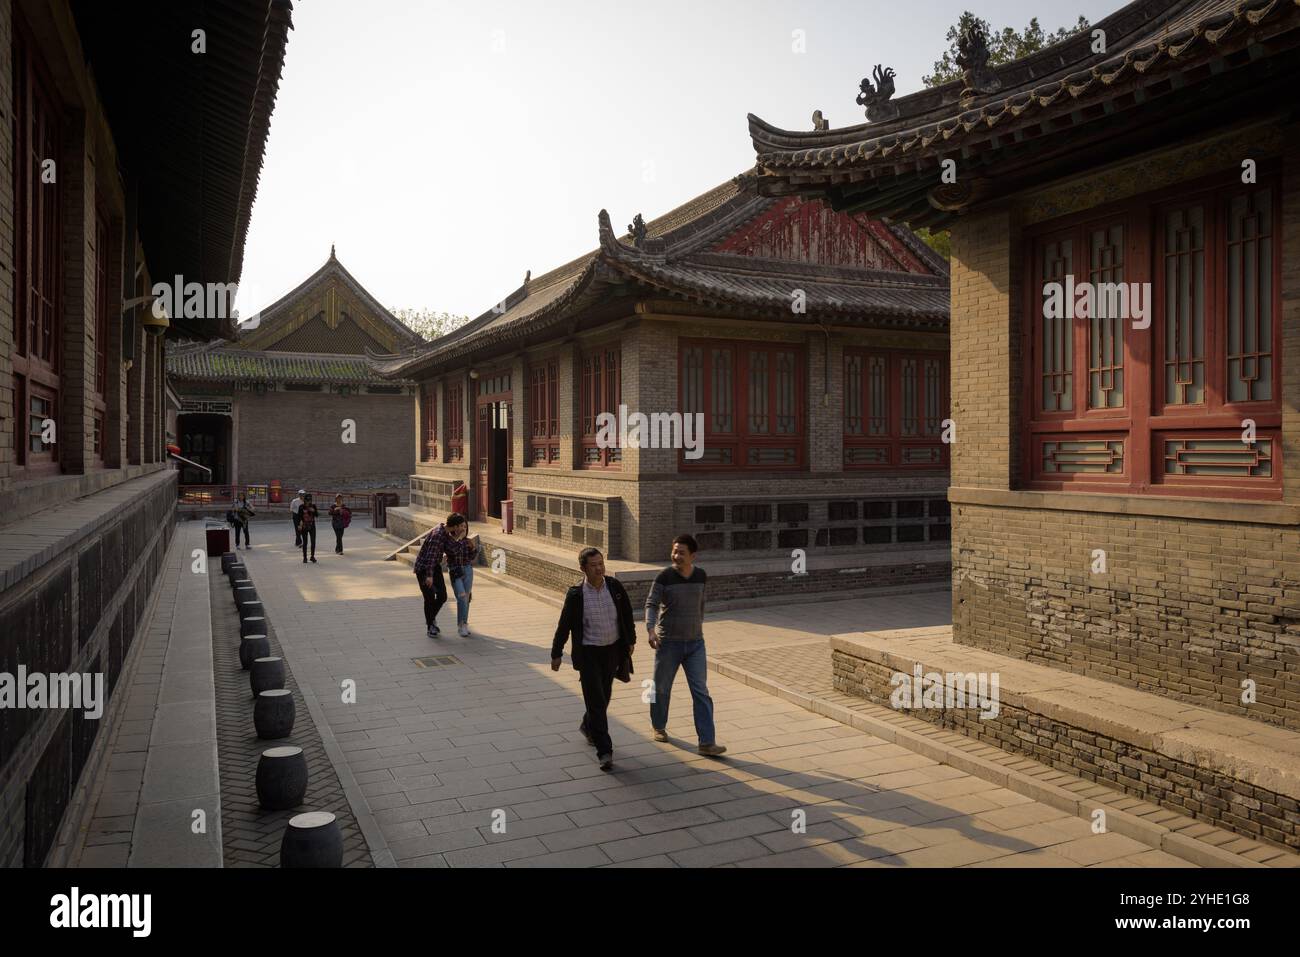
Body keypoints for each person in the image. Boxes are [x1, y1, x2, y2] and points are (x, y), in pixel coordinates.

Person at [551, 547, 636, 771]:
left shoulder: (615, 587)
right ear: (583, 568)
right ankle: (605, 751)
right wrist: (556, 653)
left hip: (612, 652)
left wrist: (630, 641)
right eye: (594, 565)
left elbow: (626, 614)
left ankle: (588, 725)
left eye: (601, 564)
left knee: (605, 696)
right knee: (596, 702)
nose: (599, 568)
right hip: (588, 654)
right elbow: (564, 626)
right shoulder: (576, 594)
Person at [645, 533, 725, 756]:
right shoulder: (664, 576)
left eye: (681, 552)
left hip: (695, 644)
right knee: (660, 688)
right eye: (674, 551)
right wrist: (651, 630)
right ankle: (658, 725)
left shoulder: (700, 575)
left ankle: (707, 742)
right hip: (668, 643)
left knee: (701, 692)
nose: (676, 555)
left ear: (693, 555)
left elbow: (701, 603)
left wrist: (697, 625)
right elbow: (651, 604)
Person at [412, 512, 476, 638]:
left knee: (442, 596)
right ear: (455, 526)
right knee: (429, 597)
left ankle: (431, 618)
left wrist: (462, 539)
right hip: (424, 569)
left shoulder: (445, 533)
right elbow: (430, 557)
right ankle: (431, 626)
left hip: (435, 567)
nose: (462, 528)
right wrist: (429, 576)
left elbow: (453, 549)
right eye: (461, 526)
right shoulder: (437, 534)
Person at [298, 493, 319, 563]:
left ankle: (312, 556)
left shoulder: (313, 506)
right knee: (305, 542)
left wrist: (313, 511)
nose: (308, 502)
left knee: (313, 542)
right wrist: (300, 525)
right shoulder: (301, 507)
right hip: (304, 526)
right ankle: (305, 557)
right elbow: (299, 517)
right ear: (305, 500)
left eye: (310, 500)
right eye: (307, 500)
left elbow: (317, 515)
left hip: (312, 526)